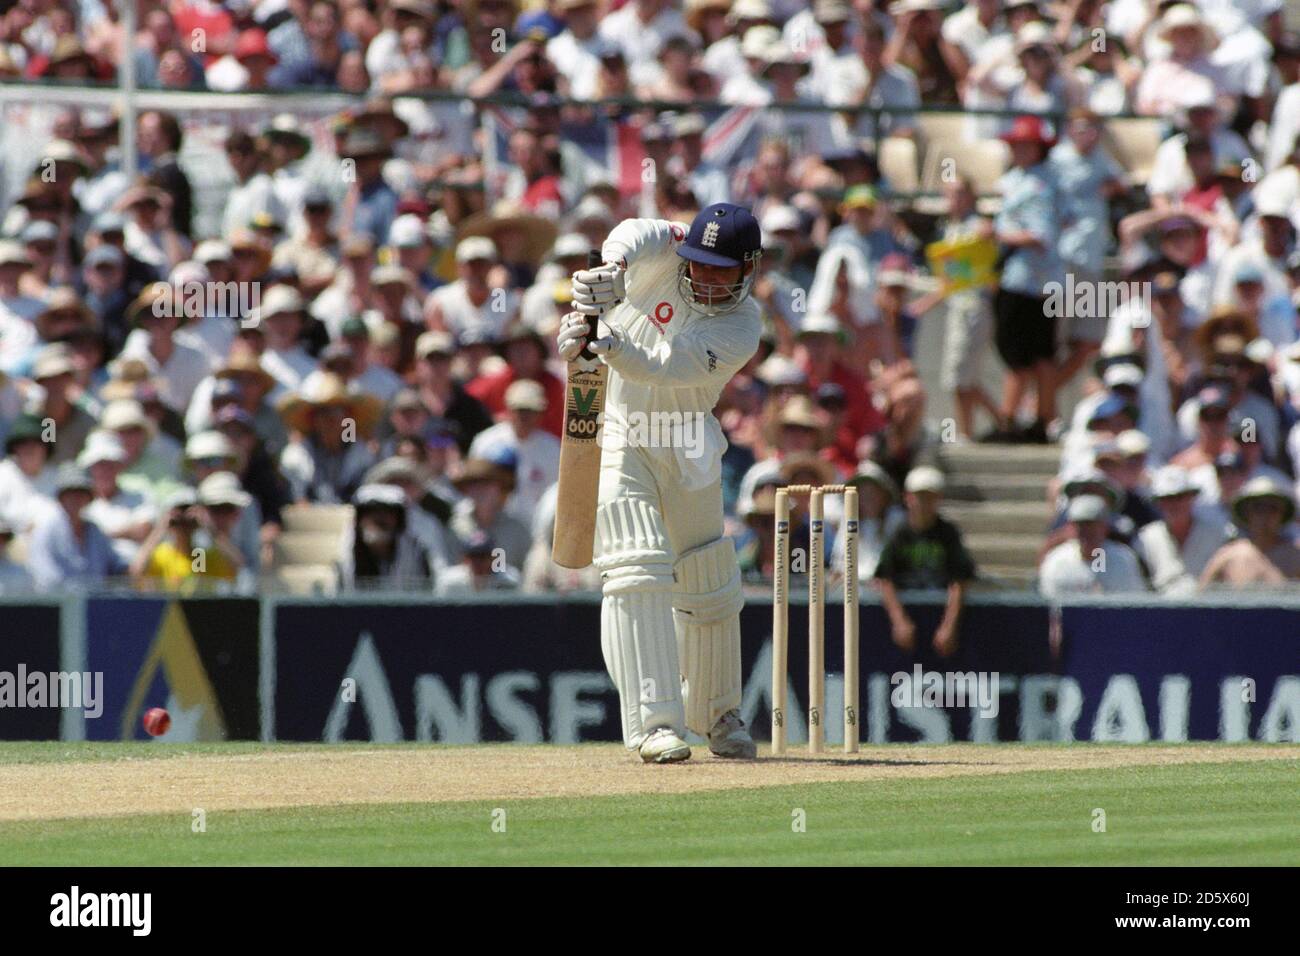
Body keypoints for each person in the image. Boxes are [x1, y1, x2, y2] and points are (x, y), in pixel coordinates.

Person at [556, 201, 764, 763]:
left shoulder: (744, 325)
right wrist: (613, 269)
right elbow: (635, 231)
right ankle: (655, 725)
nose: (706, 277)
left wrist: (610, 345)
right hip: (621, 429)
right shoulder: (666, 253)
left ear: (750, 269)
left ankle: (720, 715)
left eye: (723, 270)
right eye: (700, 264)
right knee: (636, 565)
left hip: (689, 436)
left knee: (708, 578)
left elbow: (671, 367)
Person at [873, 466, 976, 658]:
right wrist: (899, 621)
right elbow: (885, 578)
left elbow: (960, 580)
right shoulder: (899, 534)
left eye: (929, 497)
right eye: (919, 496)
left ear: (939, 499)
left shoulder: (948, 534)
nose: (923, 503)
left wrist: (949, 626)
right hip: (908, 618)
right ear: (907, 497)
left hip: (940, 615)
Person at [27, 464, 128, 590]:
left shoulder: (94, 531)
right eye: (69, 493)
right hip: (59, 605)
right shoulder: (46, 531)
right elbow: (46, 578)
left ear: (88, 498)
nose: (75, 499)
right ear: (61, 497)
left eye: (80, 493)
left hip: (96, 604)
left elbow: (118, 566)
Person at [1038, 494, 1147, 598]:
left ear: (1105, 527)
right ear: (1072, 527)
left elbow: (1134, 603)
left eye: (1091, 524)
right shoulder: (1056, 561)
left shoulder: (1123, 559)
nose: (1086, 531)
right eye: (1080, 525)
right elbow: (1050, 607)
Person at [1200, 478, 1300, 586]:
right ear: (1247, 513)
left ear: (1282, 514)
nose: (1265, 515)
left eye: (1272, 508)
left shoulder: (1295, 555)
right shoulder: (1229, 555)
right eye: (1258, 508)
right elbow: (1200, 596)